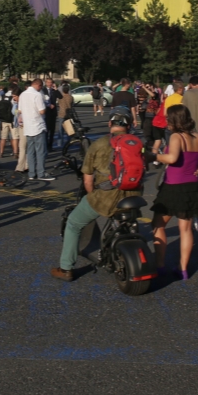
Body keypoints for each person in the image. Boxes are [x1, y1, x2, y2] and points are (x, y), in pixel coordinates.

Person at [50, 107, 145, 281]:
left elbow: (87, 182)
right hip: (133, 195)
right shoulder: (137, 143)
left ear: (110, 123)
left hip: (107, 197)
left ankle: (66, 268)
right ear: (129, 125)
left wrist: (92, 197)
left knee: (73, 223)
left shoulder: (98, 144)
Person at [151, 105, 198, 280]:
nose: (167, 121)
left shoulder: (177, 137)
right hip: (191, 187)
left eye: (169, 118)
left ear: (175, 120)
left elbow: (172, 158)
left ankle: (160, 265)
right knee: (186, 229)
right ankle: (183, 268)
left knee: (158, 225)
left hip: (173, 186)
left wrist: (154, 156)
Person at [19, 79, 53, 182]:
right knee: (40, 151)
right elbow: (42, 111)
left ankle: (31, 173)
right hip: (38, 125)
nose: (40, 89)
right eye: (40, 87)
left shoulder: (22, 95)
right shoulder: (37, 95)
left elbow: (19, 110)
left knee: (30, 151)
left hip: (28, 126)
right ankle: (41, 173)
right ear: (38, 85)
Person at [0, 89, 18, 158]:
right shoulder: (13, 98)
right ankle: (15, 153)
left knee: (3, 138)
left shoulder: (3, 96)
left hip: (3, 120)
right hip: (12, 120)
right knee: (14, 137)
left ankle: (1, 153)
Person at [43, 78, 63, 150]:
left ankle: (50, 145)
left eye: (51, 82)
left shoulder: (54, 91)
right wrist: (48, 105)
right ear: (46, 83)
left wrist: (56, 89)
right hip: (46, 111)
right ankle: (45, 144)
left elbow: (60, 96)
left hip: (53, 112)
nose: (50, 84)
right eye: (48, 82)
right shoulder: (43, 90)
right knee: (46, 130)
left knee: (52, 130)